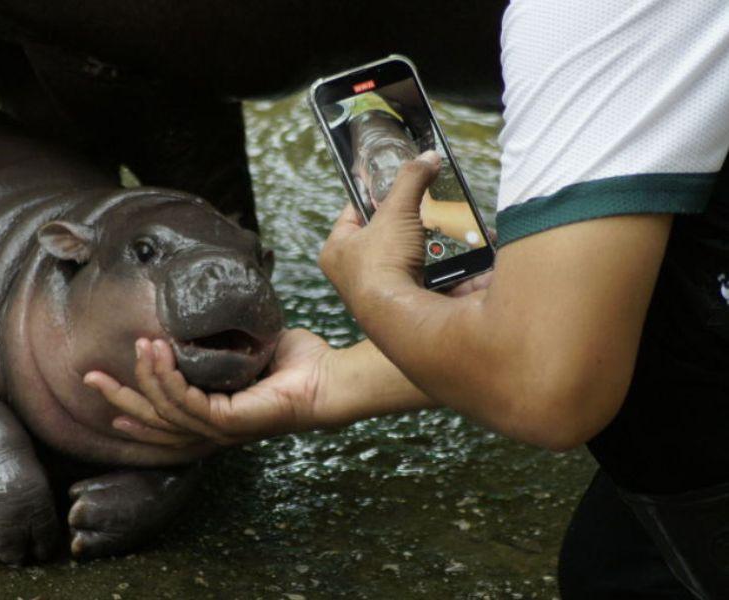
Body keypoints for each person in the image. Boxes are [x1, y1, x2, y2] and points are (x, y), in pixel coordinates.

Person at [84, 1, 729, 598]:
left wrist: (379, 294)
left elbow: (546, 386)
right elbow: (585, 311)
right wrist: (329, 383)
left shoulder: (586, 18)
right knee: (611, 557)